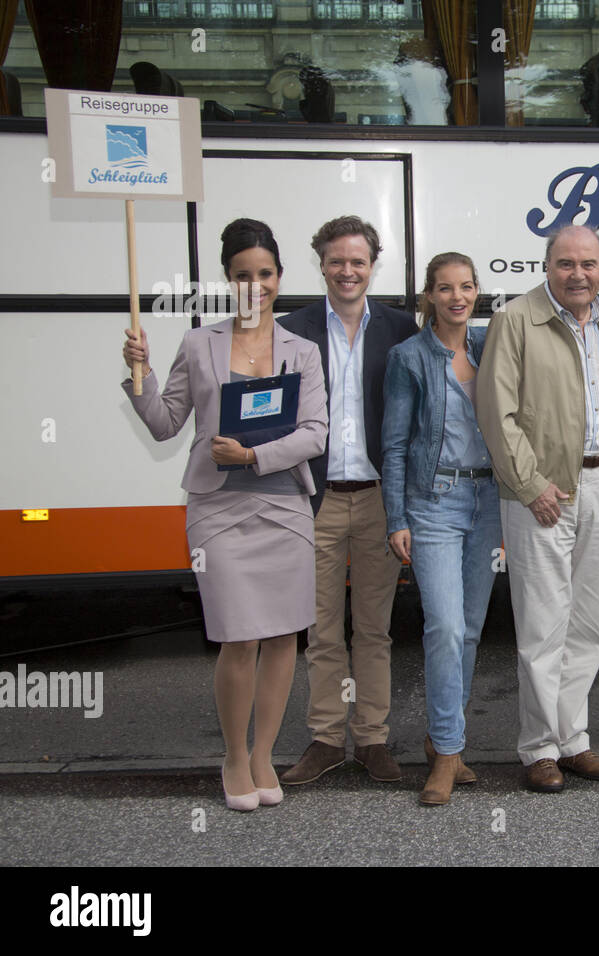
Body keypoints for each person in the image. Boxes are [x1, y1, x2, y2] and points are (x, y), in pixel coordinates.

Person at [120, 218, 327, 811]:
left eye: (265, 274)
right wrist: (142, 374)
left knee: (285, 636)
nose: (254, 286)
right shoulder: (197, 344)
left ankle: (265, 753)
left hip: (285, 505)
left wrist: (255, 454)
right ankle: (234, 756)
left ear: (280, 278)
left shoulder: (303, 351)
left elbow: (315, 433)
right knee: (239, 638)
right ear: (227, 279)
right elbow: (164, 423)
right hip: (218, 509)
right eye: (243, 275)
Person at [477, 224, 599, 793]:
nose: (578, 274)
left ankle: (574, 739)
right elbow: (498, 412)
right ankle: (539, 746)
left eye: (589, 263)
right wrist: (532, 483)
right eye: (566, 263)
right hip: (542, 491)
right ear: (546, 266)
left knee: (588, 623)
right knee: (542, 624)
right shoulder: (517, 320)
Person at [278, 216, 418, 787]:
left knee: (376, 628)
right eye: (337, 260)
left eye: (358, 261)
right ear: (321, 264)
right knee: (321, 629)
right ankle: (326, 738)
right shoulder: (291, 329)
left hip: (381, 498)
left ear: (372, 265)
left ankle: (374, 740)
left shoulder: (400, 328)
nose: (347, 270)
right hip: (317, 498)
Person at [382, 253, 498, 806]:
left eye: (467, 286)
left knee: (471, 630)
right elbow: (396, 444)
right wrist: (396, 517)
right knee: (445, 627)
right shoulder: (408, 357)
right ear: (429, 295)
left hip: (488, 500)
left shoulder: (491, 347)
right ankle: (449, 752)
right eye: (445, 288)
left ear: (477, 292)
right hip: (433, 502)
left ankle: (441, 739)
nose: (457, 297)